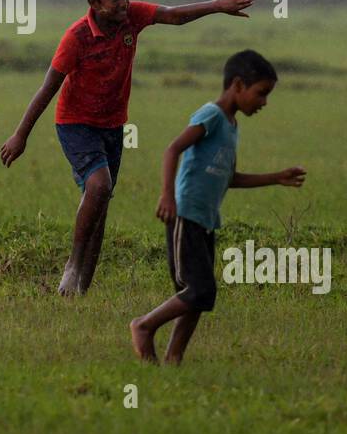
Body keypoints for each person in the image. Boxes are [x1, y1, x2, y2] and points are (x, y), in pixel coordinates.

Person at [0, 0, 255, 295]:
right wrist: (21, 134)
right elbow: (49, 87)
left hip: (112, 125)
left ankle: (80, 290)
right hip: (75, 124)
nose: (123, 3)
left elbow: (173, 15)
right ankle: (72, 268)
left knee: (100, 201)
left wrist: (218, 5)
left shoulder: (132, 17)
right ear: (95, 4)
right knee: (99, 185)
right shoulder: (76, 38)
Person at [130, 49, 306, 364]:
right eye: (261, 93)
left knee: (197, 298)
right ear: (238, 85)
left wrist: (276, 177)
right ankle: (144, 326)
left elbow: (229, 178)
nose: (264, 102)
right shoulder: (211, 115)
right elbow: (173, 149)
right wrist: (167, 195)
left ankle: (173, 360)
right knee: (199, 292)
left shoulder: (232, 125)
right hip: (185, 216)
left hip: (206, 220)